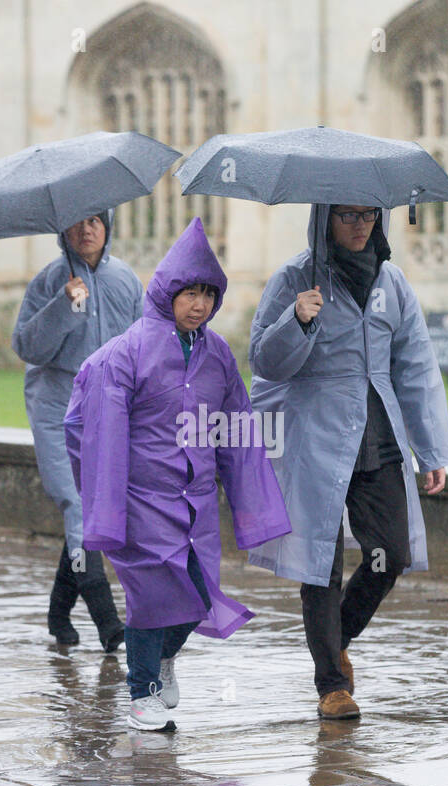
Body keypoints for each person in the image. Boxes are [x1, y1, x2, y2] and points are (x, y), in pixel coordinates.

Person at [65, 218, 291, 732]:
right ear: (168, 293)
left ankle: (165, 658)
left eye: (208, 295)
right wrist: (108, 503)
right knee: (150, 596)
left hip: (195, 502)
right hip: (144, 499)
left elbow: (237, 427)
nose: (198, 305)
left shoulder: (216, 357)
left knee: (195, 594)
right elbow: (89, 427)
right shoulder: (124, 355)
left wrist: (249, 496)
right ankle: (141, 691)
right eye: (189, 292)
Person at [249, 203, 448, 720]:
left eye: (369, 214)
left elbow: (415, 365)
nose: (360, 224)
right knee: (319, 560)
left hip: (379, 436)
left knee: (391, 552)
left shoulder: (394, 282)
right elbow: (265, 360)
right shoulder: (294, 278)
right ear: (326, 220)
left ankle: (336, 638)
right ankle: (332, 685)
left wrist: (430, 449)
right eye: (348, 215)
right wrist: (297, 319)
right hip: (315, 435)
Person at [14, 211, 140, 651]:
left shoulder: (126, 279)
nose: (86, 230)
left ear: (108, 227)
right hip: (56, 408)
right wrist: (63, 306)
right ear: (62, 230)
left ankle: (58, 610)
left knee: (91, 512)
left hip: (108, 409)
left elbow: (142, 346)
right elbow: (27, 345)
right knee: (77, 504)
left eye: (95, 221)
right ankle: (109, 623)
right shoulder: (50, 281)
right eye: (76, 222)